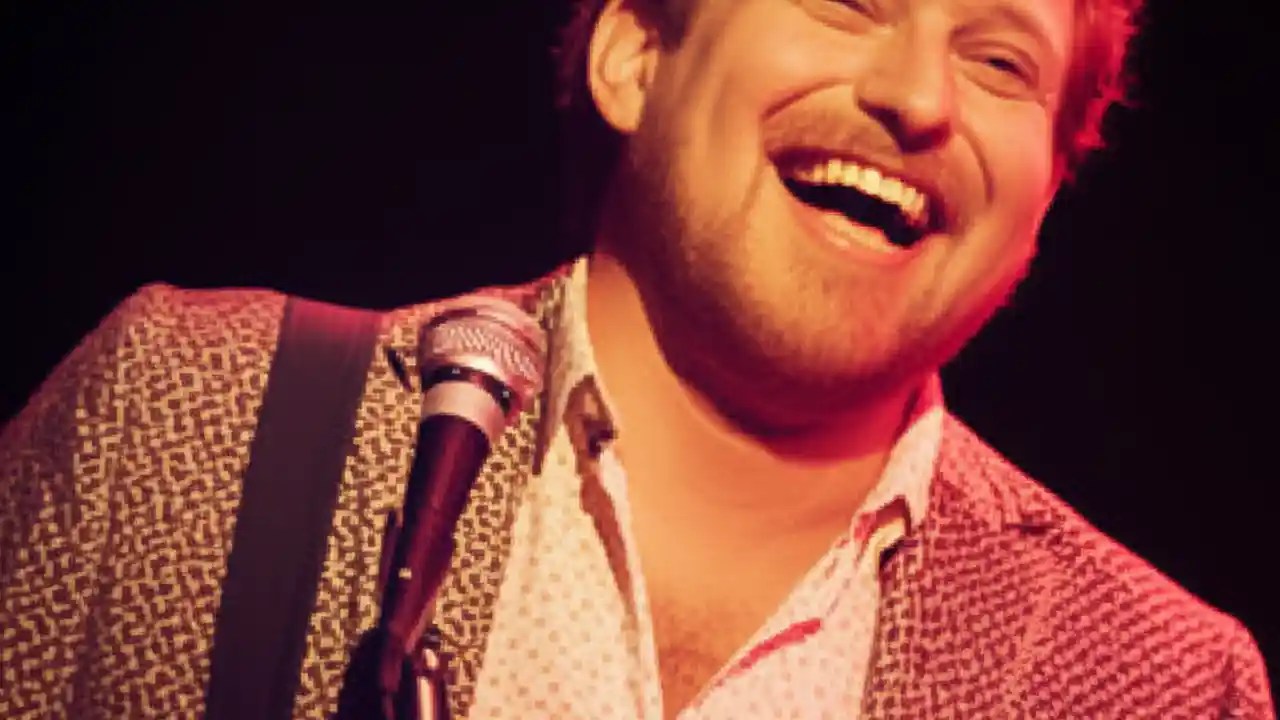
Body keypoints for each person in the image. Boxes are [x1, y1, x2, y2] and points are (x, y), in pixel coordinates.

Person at [1, 0, 1273, 718]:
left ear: (1045, 194)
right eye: (849, 4)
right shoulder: (184, 414)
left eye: (999, 61)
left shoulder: (1165, 686)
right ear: (634, 57)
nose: (919, 101)